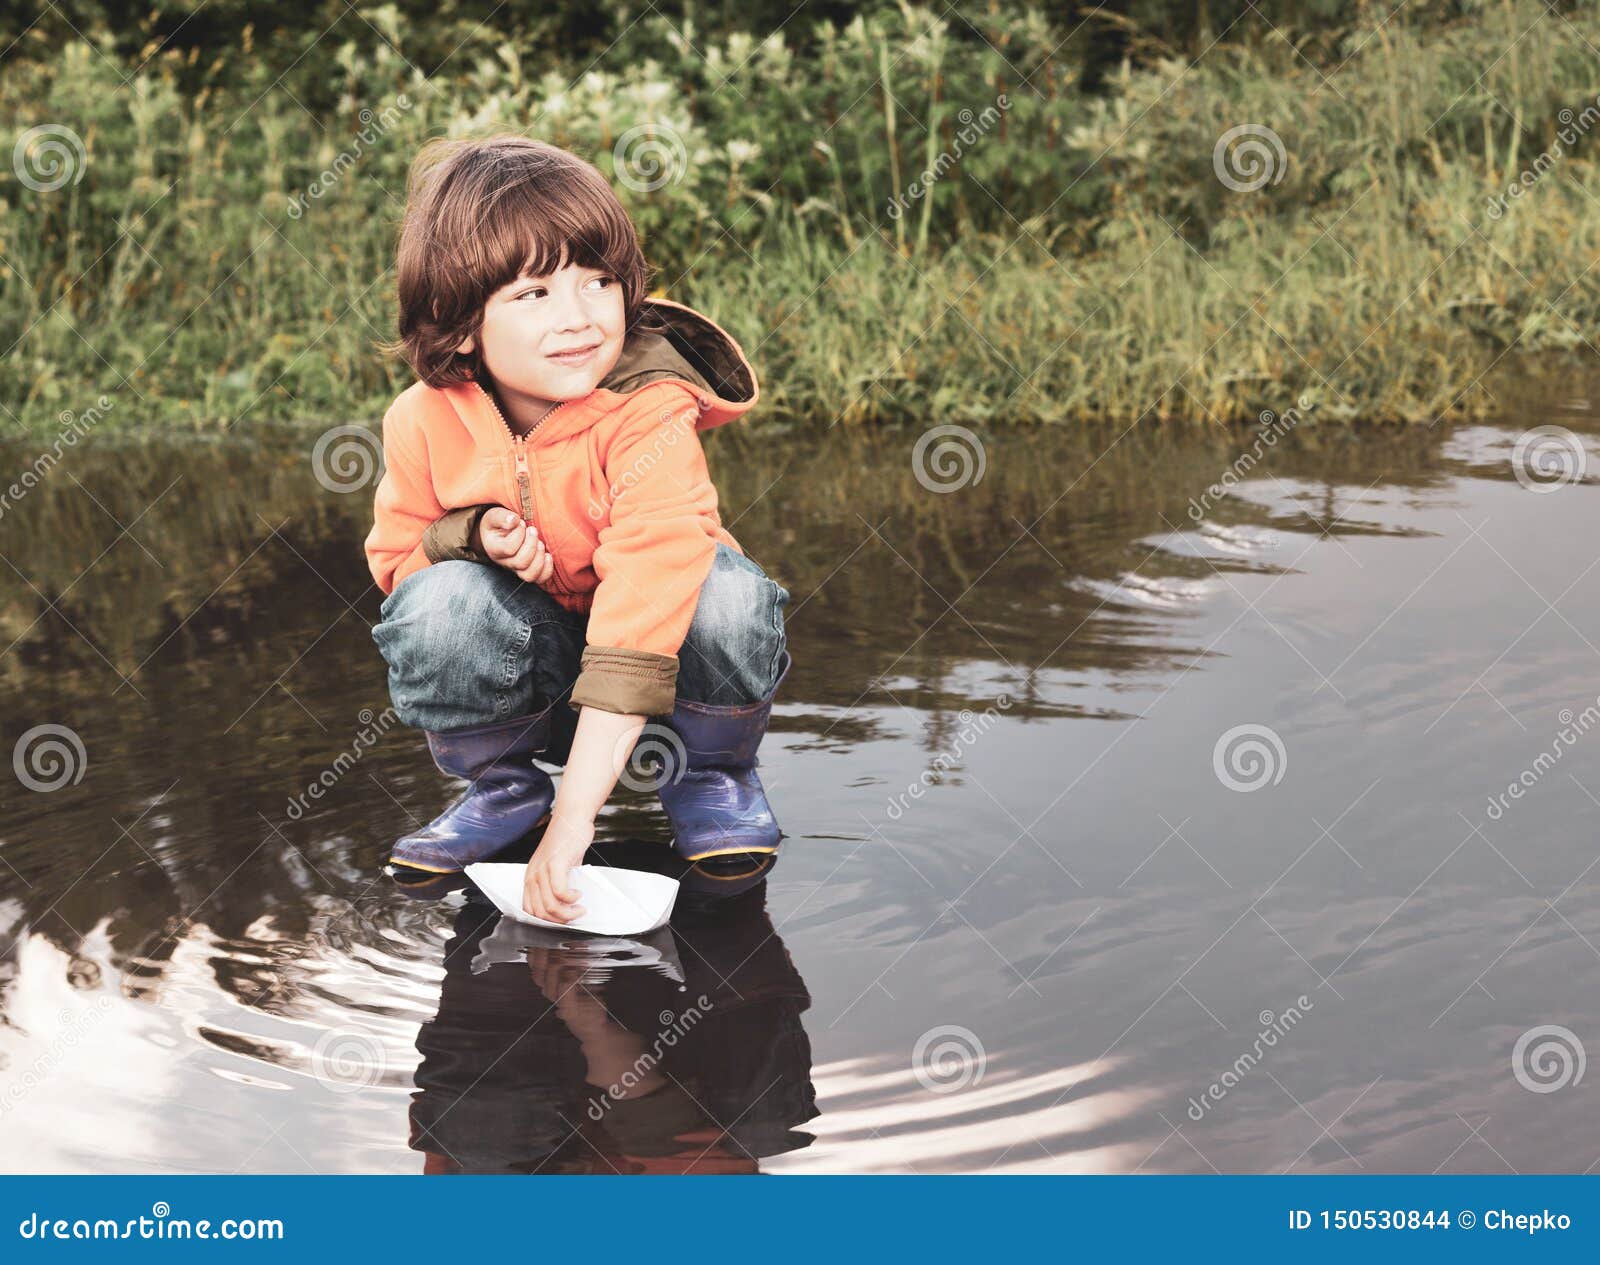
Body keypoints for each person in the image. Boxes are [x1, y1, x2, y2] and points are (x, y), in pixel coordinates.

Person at [364, 135, 791, 923]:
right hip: (534, 683)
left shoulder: (651, 411)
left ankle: (710, 776)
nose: (580, 318)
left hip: (652, 680)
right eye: (534, 294)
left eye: (599, 282)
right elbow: (396, 563)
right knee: (438, 604)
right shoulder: (420, 422)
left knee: (723, 595)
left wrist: (577, 822)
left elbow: (644, 599)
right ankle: (504, 791)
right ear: (458, 324)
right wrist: (464, 537)